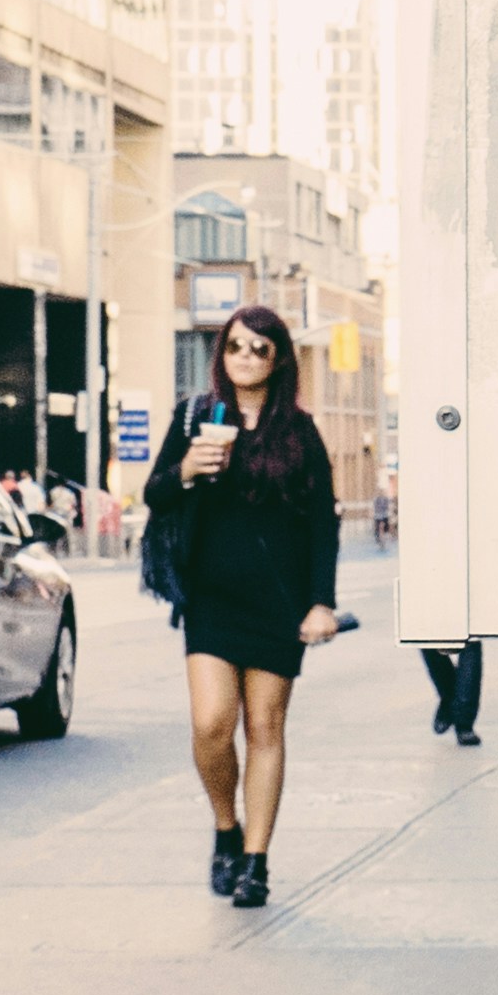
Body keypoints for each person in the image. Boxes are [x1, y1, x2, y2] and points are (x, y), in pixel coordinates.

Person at [141, 303, 343, 907]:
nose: (247, 357)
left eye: (260, 348)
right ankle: (224, 827)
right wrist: (186, 469)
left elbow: (321, 526)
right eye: (236, 346)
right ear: (221, 355)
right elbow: (153, 493)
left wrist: (320, 603)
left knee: (265, 727)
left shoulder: (298, 432)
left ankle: (255, 862)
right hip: (212, 599)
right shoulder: (196, 418)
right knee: (210, 723)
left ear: (278, 359)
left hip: (278, 605)